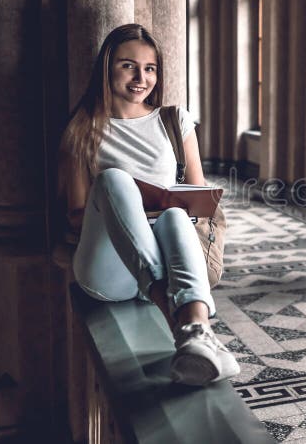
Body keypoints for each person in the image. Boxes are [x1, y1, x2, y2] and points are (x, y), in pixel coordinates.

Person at [59, 23, 239, 386]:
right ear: (107, 68)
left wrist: (162, 209)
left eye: (150, 68)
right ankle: (177, 315)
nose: (141, 77)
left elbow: (197, 200)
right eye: (128, 65)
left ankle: (196, 332)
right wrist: (132, 207)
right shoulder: (82, 129)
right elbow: (77, 216)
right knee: (113, 180)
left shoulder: (175, 120)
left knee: (174, 215)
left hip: (169, 259)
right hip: (111, 272)